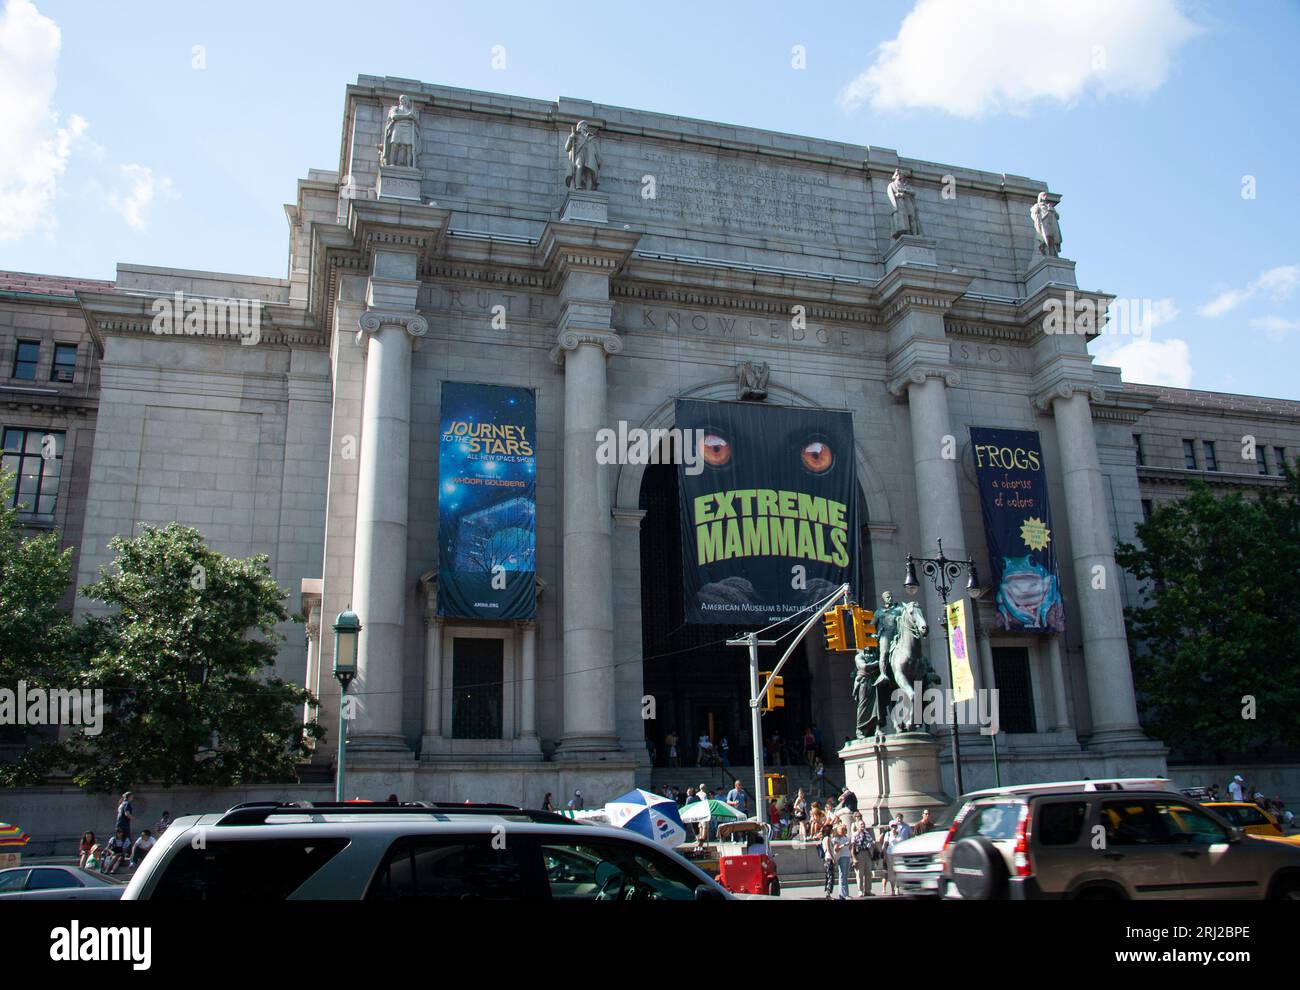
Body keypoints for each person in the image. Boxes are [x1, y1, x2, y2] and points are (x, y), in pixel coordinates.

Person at [832, 820, 853, 899]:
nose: (846, 831)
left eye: (846, 830)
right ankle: (843, 894)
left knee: (845, 876)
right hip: (842, 857)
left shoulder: (846, 837)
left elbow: (850, 847)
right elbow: (836, 849)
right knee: (842, 876)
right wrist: (844, 845)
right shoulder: (836, 839)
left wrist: (850, 845)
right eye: (844, 830)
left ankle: (846, 893)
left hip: (847, 856)